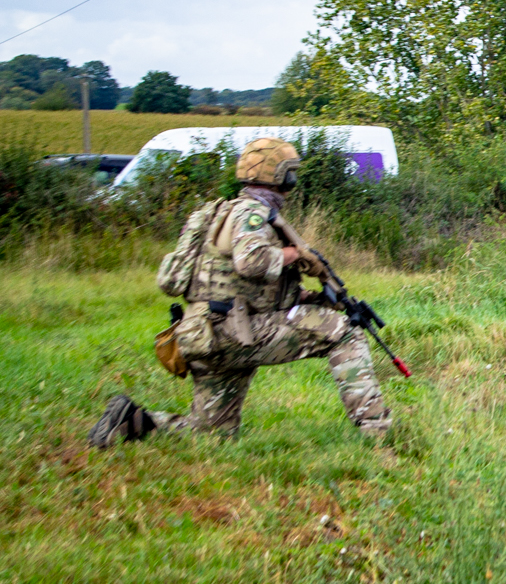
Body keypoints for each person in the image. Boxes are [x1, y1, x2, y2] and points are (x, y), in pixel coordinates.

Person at [91, 138, 392, 447]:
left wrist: (309, 299)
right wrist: (295, 255)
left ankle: (132, 421)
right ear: (281, 177)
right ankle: (376, 431)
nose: (293, 183)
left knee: (212, 434)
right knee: (343, 333)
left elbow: (241, 284)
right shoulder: (253, 214)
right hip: (233, 331)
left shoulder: (219, 212)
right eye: (291, 174)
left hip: (204, 334)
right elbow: (251, 262)